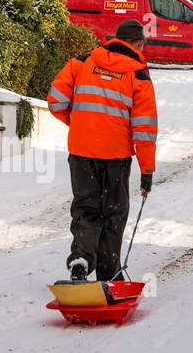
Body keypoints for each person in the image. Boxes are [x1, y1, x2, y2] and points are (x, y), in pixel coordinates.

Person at [46, 19, 157, 282]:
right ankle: (109, 273)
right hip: (115, 156)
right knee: (114, 211)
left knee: (85, 207)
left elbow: (56, 101)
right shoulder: (138, 74)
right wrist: (147, 170)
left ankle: (81, 258)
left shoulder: (82, 62)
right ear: (139, 43)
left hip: (81, 151)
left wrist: (79, 123)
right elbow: (144, 128)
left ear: (115, 39)